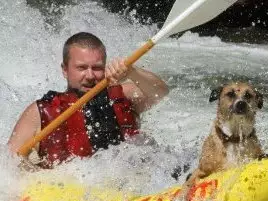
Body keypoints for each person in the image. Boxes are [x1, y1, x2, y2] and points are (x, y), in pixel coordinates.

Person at [7, 32, 169, 168]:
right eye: (81, 68)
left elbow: (160, 91)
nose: (90, 76)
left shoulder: (123, 95)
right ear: (65, 70)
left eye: (97, 68)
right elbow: (8, 167)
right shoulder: (39, 112)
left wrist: (132, 72)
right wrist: (28, 166)